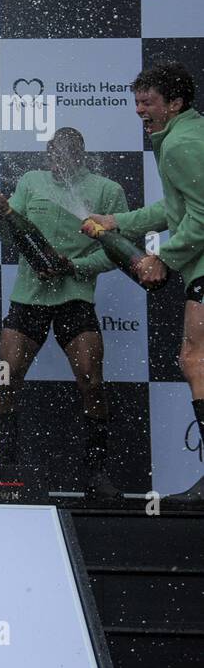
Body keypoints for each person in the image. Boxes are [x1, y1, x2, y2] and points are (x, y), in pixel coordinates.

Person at [84, 61, 204, 502]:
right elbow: (174, 210)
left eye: (148, 102)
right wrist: (116, 220)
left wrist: (164, 258)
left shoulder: (181, 145)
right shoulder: (185, 136)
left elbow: (203, 216)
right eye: (135, 102)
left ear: (175, 103)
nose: (139, 110)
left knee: (196, 360)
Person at [0, 128, 128, 496]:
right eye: (52, 155)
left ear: (81, 155)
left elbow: (120, 250)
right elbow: (7, 235)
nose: (57, 162)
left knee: (91, 382)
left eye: (65, 155)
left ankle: (96, 475)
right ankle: (7, 475)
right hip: (27, 298)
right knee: (6, 380)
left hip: (75, 297)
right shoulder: (31, 181)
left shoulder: (106, 190)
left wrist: (75, 267)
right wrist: (2, 215)